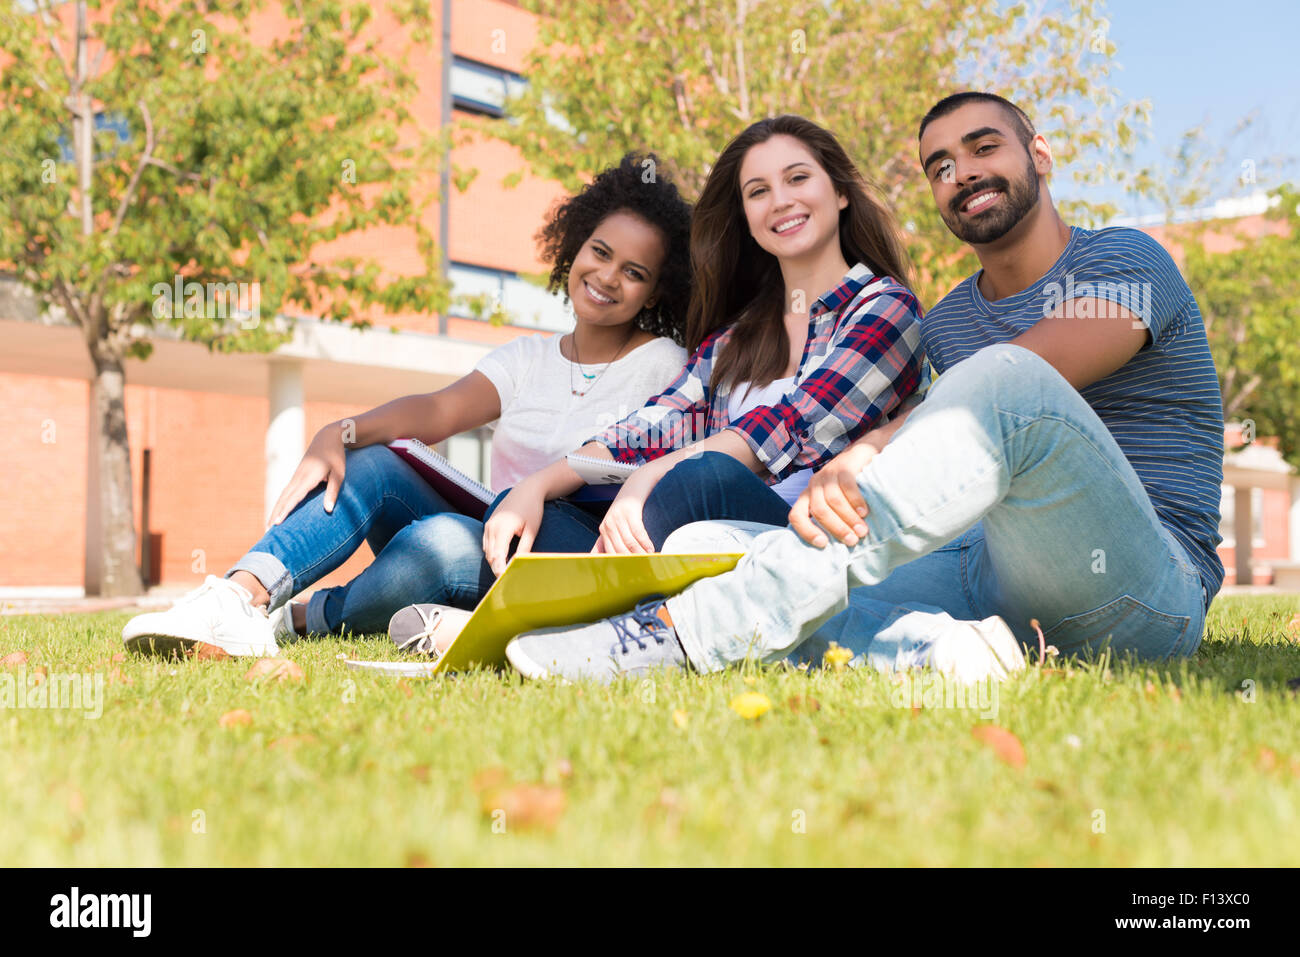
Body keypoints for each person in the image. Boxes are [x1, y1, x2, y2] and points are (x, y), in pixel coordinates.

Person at [503, 92, 1225, 685]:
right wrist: (868, 452)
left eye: (983, 148)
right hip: (993, 575)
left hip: (1142, 584)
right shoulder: (950, 321)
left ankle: (683, 631)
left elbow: (1030, 379)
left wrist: (875, 443)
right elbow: (955, 438)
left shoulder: (1130, 259)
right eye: (940, 165)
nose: (963, 172)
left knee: (1010, 377)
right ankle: (936, 652)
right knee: (708, 537)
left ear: (1039, 156)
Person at [121, 153, 694, 658]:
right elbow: (439, 411)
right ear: (575, 246)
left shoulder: (664, 362)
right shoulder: (526, 358)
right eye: (600, 252)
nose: (608, 277)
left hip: (570, 551)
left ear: (655, 291)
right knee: (372, 461)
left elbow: (638, 462)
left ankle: (303, 617)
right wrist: (342, 431)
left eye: (634, 273)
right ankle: (237, 598)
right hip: (491, 529)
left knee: (439, 542)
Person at [480, 115, 924, 576]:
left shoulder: (885, 309)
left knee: (704, 476)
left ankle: (597, 606)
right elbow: (653, 427)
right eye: (758, 191)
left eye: (797, 178)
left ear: (840, 192)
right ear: (748, 220)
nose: (781, 200)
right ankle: (613, 610)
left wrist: (650, 477)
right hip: (696, 550)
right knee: (518, 517)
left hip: (803, 552)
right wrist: (538, 483)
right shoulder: (735, 338)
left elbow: (790, 424)